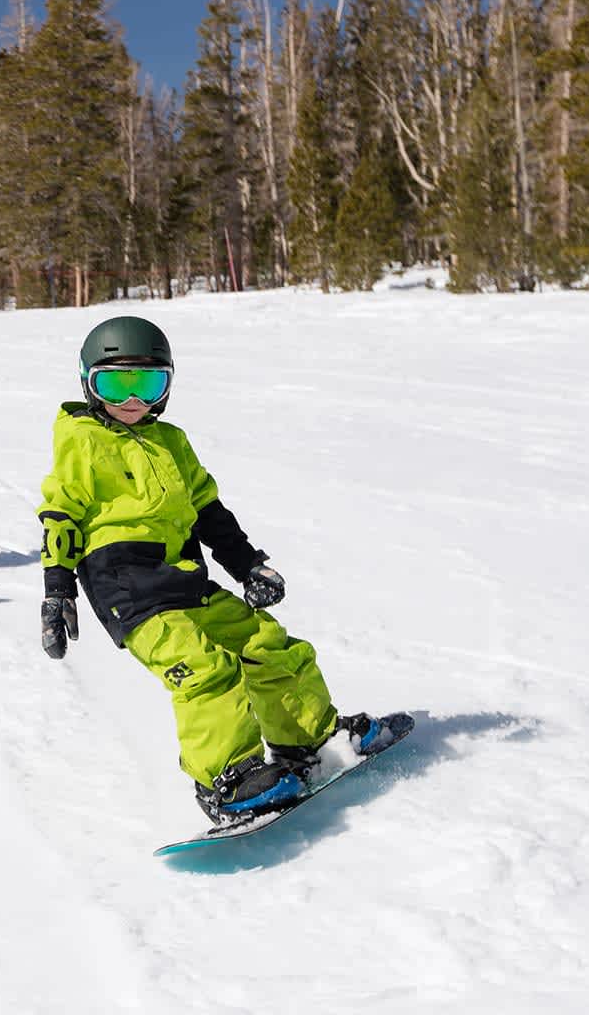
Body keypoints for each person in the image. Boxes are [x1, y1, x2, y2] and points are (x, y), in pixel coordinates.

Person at [35, 315, 397, 824]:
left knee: (268, 645)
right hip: (127, 588)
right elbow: (61, 514)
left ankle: (308, 740)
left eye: (149, 383)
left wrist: (248, 565)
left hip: (184, 578)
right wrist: (58, 589)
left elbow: (207, 512)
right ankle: (226, 782)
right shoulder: (81, 441)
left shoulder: (172, 441)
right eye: (116, 385)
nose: (133, 401)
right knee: (206, 672)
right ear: (88, 384)